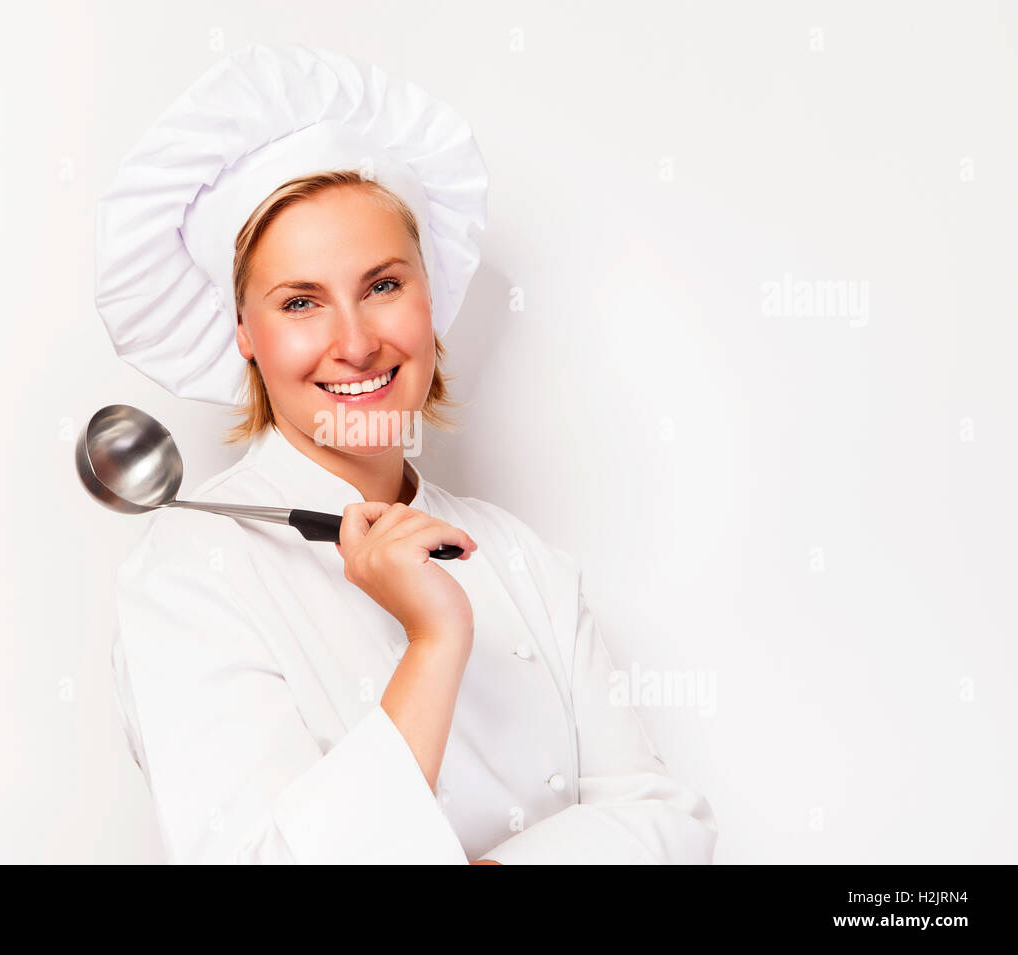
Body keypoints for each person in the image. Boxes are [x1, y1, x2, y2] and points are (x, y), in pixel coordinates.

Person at [95, 42, 718, 864]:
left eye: (383, 284)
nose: (354, 342)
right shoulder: (188, 573)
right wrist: (434, 638)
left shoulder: (523, 559)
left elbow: (668, 823)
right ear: (244, 333)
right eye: (301, 301)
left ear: (432, 295)